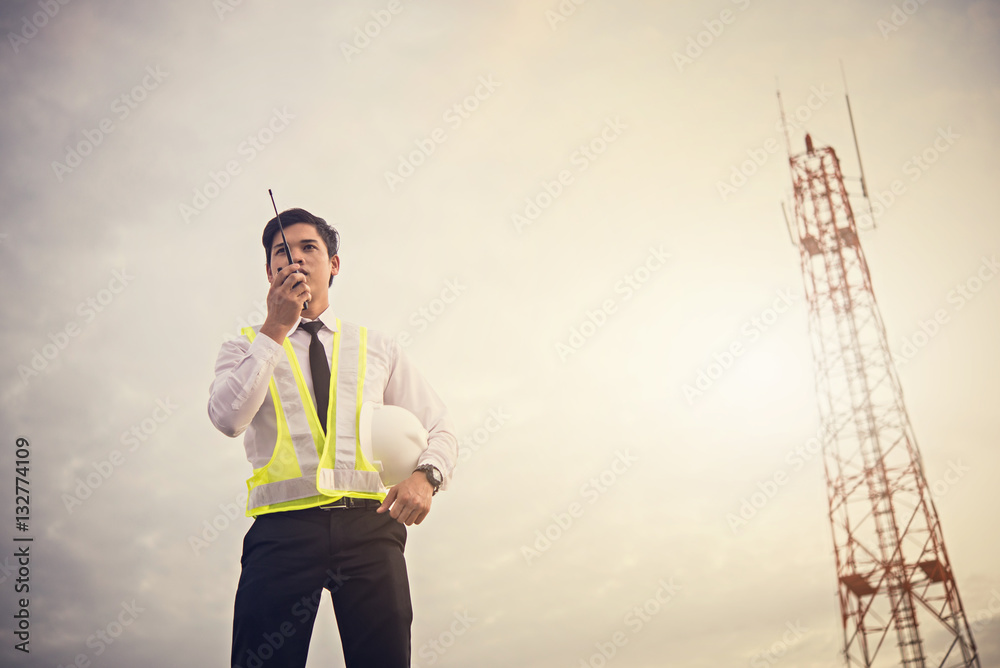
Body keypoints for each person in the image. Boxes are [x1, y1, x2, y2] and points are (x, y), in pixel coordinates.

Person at [207, 207, 457, 668]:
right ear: (269, 271)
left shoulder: (377, 347)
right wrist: (276, 328)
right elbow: (226, 417)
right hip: (281, 533)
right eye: (282, 252)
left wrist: (427, 477)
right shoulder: (245, 345)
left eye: (309, 248)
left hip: (370, 528)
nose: (295, 260)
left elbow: (440, 426)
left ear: (334, 264)